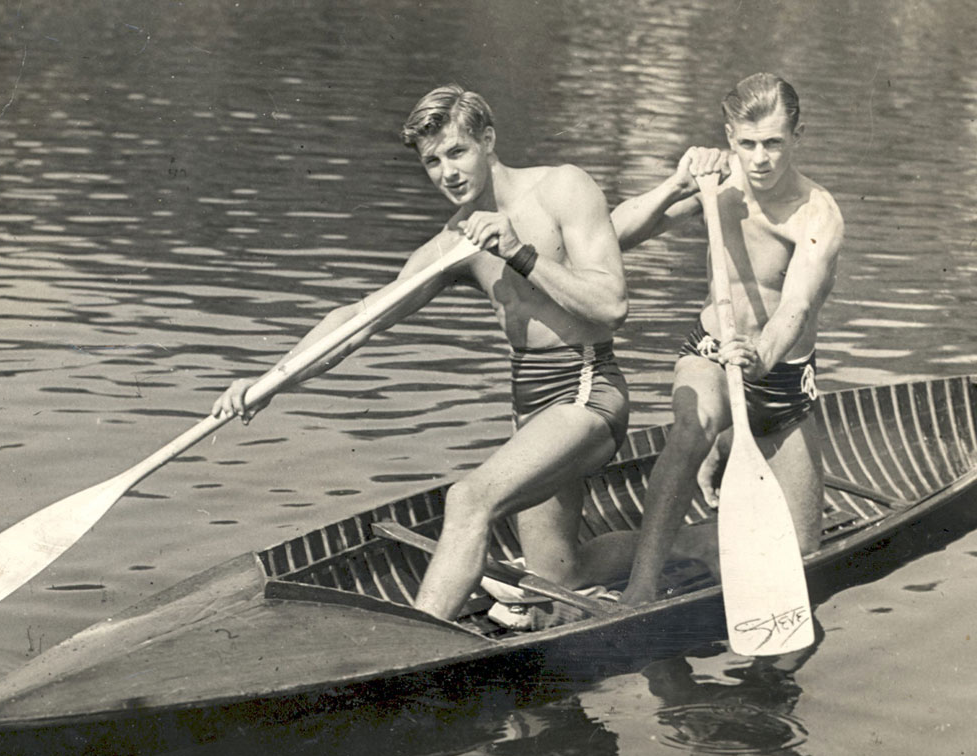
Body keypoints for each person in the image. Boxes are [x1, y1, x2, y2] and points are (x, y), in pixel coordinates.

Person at [213, 84, 630, 624]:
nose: (447, 172)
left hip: (588, 391)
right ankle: (697, 547)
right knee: (561, 574)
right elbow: (358, 320)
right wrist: (266, 383)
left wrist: (521, 253)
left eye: (457, 152)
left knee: (468, 500)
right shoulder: (451, 245)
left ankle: (412, 641)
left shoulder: (561, 188)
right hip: (531, 406)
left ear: (488, 139)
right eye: (432, 162)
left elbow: (612, 305)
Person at [608, 73, 843, 604]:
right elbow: (615, 235)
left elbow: (796, 307)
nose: (759, 159)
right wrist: (675, 182)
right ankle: (641, 587)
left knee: (802, 556)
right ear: (730, 136)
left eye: (774, 143)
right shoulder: (719, 184)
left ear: (798, 136)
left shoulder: (817, 215)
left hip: (782, 379)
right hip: (713, 353)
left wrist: (760, 358)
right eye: (747, 144)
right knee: (694, 428)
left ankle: (702, 541)